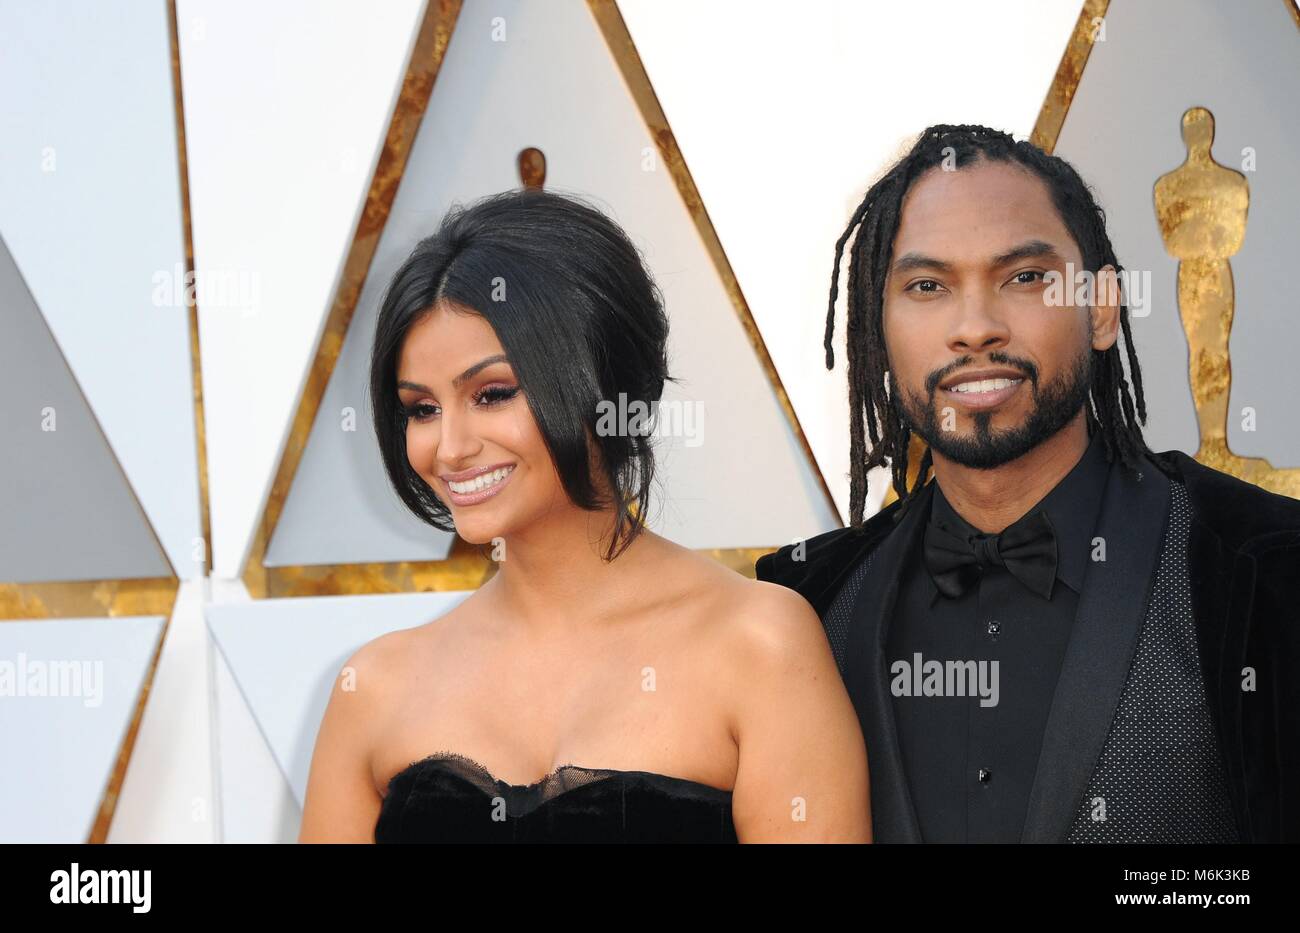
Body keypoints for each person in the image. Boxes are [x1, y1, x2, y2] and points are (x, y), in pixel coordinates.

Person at [757, 124, 1300, 843]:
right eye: (927, 286)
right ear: (876, 328)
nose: (975, 327)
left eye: (1024, 278)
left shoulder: (1264, 571)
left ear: (1102, 308)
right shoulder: (805, 610)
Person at [298, 188, 870, 843]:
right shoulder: (373, 687)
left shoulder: (758, 646)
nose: (449, 447)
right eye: (422, 408)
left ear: (602, 384)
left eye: (492, 394)